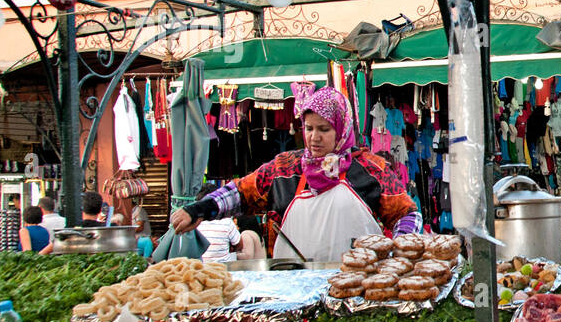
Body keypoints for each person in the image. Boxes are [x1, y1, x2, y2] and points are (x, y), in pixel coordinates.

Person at [170, 88, 419, 262]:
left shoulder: (369, 168)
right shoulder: (284, 168)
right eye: (309, 128)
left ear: (342, 129)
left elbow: (407, 214)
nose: (314, 137)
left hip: (358, 283)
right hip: (291, 282)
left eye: (324, 129)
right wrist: (200, 210)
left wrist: (401, 250)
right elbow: (240, 192)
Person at [193, 184, 243, 263]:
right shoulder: (226, 221)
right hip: (223, 267)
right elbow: (239, 245)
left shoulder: (194, 222)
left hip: (200, 266)